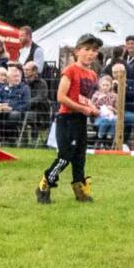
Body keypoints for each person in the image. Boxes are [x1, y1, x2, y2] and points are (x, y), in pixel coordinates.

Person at [36, 32, 100, 203]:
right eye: (87, 49)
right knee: (65, 157)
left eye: (94, 50)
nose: (91, 53)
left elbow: (83, 96)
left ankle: (81, 191)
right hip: (67, 119)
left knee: (80, 157)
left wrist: (92, 108)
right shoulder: (70, 71)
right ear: (77, 51)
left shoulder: (92, 75)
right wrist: (83, 109)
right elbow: (61, 97)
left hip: (80, 120)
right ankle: (45, 184)